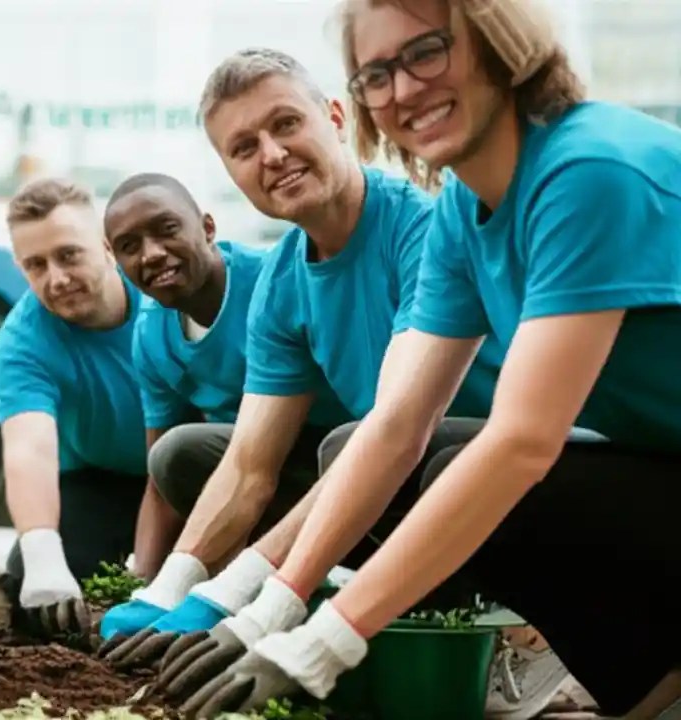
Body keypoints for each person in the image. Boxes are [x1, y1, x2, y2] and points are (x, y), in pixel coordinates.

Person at [165, 1, 681, 718]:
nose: (403, 90)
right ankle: (650, 681)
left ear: (502, 44)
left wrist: (330, 639)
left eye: (428, 51)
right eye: (377, 73)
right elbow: (395, 425)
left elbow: (521, 443)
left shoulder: (585, 168)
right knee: (393, 451)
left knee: (491, 476)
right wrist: (268, 608)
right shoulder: (461, 213)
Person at [100, 47, 565, 717]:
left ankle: (533, 634)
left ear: (337, 117)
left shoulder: (420, 227)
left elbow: (400, 426)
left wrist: (251, 598)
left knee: (348, 446)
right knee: (188, 454)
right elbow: (248, 465)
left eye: (286, 124)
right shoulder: (283, 280)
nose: (273, 154)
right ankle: (351, 591)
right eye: (244, 147)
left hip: (524, 467)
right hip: (397, 470)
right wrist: (173, 588)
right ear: (231, 173)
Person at [96, 171, 346, 643]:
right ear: (116, 260)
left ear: (208, 228)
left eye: (167, 230)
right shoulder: (152, 335)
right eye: (130, 245)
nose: (151, 253)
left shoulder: (274, 282)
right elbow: (160, 486)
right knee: (176, 454)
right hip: (268, 473)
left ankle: (304, 576)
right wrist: (145, 591)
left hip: (350, 460)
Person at [0, 178, 149, 641]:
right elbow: (29, 450)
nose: (55, 278)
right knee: (29, 586)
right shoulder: (22, 343)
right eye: (36, 265)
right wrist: (42, 554)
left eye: (69, 255)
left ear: (106, 247)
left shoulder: (163, 297)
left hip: (192, 474)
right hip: (98, 481)